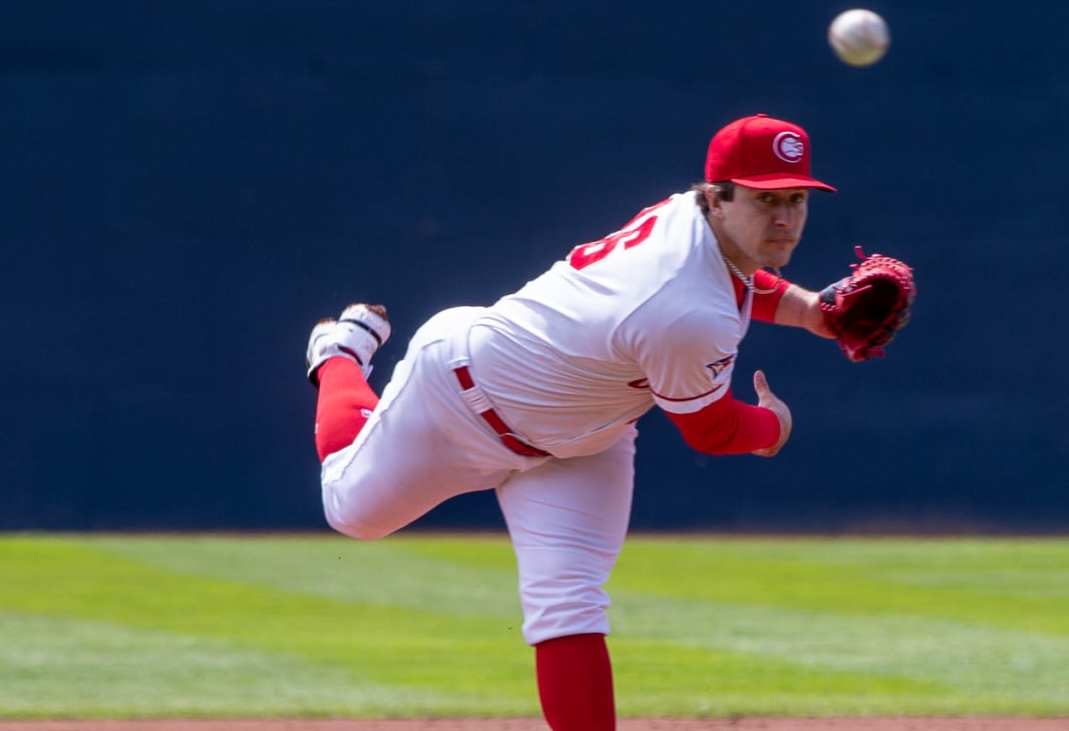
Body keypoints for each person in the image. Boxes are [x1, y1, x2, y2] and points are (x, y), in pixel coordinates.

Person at [304, 113, 845, 731]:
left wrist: (813, 312)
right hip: (460, 396)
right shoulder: (685, 311)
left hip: (584, 441)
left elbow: (742, 279)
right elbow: (713, 430)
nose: (784, 218)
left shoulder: (690, 219)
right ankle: (339, 354)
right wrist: (774, 427)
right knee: (349, 510)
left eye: (796, 199)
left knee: (569, 605)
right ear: (717, 198)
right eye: (765, 199)